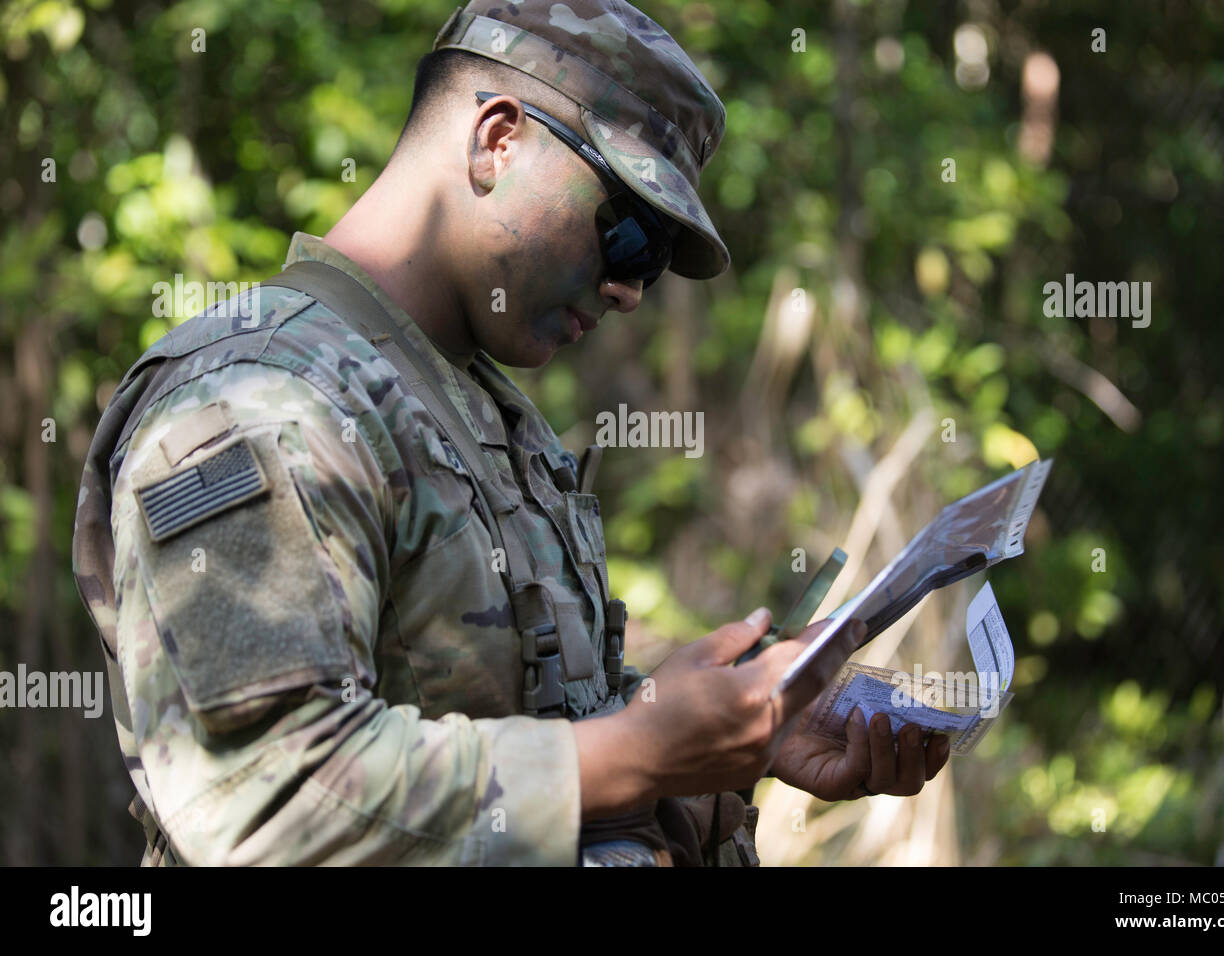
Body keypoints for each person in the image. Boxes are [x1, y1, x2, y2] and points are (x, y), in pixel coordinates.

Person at [71, 0, 948, 866]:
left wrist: (712, 741)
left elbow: (522, 761)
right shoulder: (263, 397)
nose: (630, 290)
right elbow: (266, 800)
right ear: (498, 139)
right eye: (630, 236)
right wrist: (640, 748)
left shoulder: (477, 406)